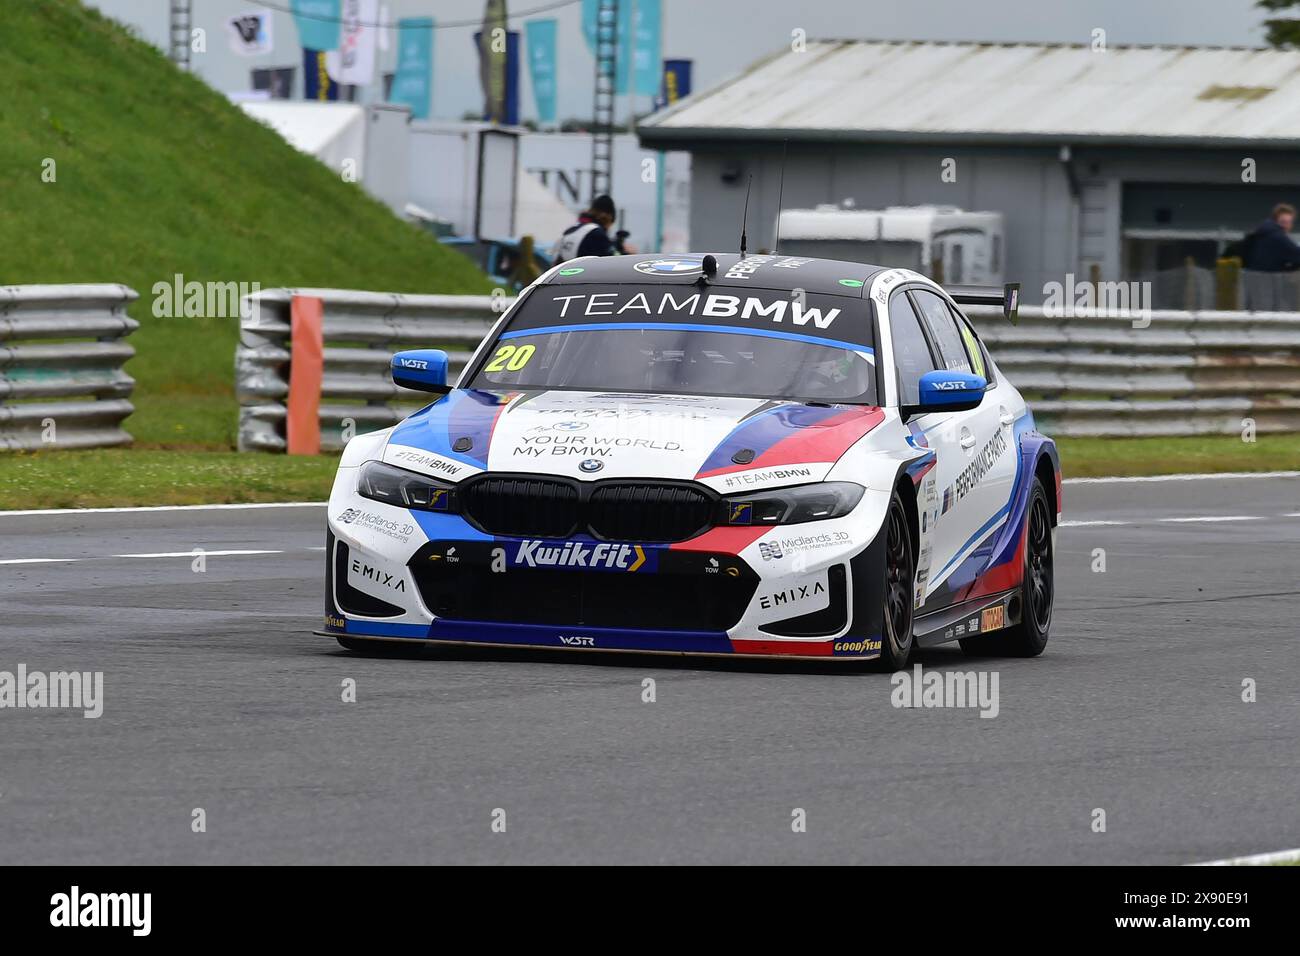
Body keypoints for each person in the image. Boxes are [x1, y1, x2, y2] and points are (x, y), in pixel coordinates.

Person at [552, 195, 632, 264]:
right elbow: (614, 259)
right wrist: (627, 253)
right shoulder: (596, 234)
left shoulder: (572, 230)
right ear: (608, 217)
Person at [1238, 203, 1300, 272]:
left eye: (1289, 222)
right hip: (1268, 280)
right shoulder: (1278, 237)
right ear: (1275, 221)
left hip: (1251, 277)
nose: (1286, 226)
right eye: (1283, 222)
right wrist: (1289, 269)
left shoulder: (1260, 233)